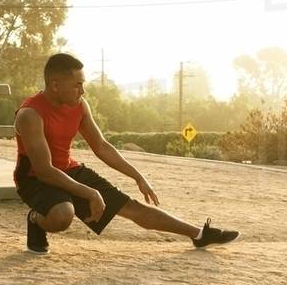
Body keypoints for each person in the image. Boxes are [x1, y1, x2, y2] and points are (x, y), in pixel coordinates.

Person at [14, 53, 240, 254]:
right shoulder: (30, 114)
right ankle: (36, 220)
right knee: (63, 214)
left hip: (68, 169)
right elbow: (44, 171)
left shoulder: (79, 106)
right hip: (34, 179)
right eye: (77, 85)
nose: (82, 91)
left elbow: (101, 146)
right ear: (55, 84)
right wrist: (91, 193)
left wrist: (138, 176)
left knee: (133, 208)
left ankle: (199, 235)